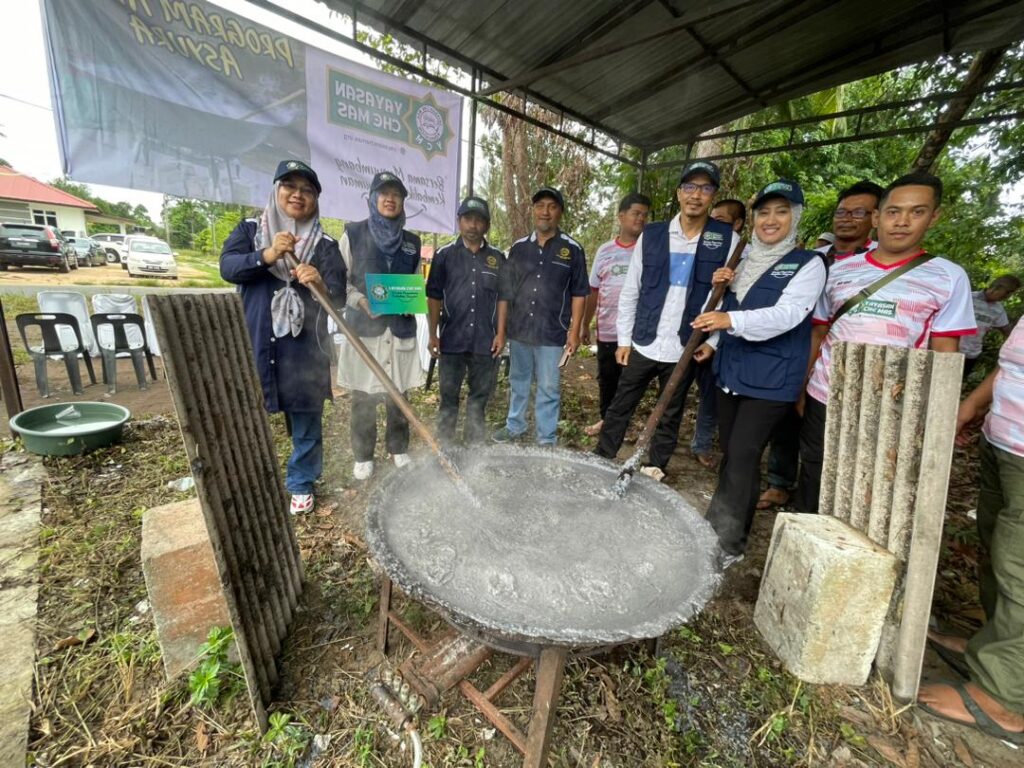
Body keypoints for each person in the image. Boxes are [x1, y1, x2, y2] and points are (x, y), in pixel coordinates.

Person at [798, 171, 976, 514]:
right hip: (826, 395)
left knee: (875, 488)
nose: (903, 222)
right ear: (878, 218)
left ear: (934, 216)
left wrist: (939, 414)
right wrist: (800, 388)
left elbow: (945, 351)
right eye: (894, 212)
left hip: (894, 405)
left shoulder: (948, 277)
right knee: (815, 475)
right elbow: (819, 333)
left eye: (917, 212)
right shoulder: (839, 272)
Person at [692, 179, 826, 564]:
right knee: (732, 453)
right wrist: (711, 340)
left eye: (781, 211)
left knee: (743, 454)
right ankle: (718, 525)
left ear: (795, 217)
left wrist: (727, 318)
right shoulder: (742, 259)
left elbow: (787, 316)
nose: (770, 220)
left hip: (772, 379)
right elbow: (716, 312)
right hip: (732, 372)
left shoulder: (808, 264)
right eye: (763, 212)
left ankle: (728, 543)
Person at [594, 160, 738, 480]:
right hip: (645, 339)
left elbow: (734, 299)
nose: (696, 195)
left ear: (713, 195)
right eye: (690, 187)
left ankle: (654, 467)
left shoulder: (727, 239)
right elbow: (632, 289)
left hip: (685, 344)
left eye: (705, 188)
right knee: (621, 404)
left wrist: (713, 342)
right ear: (679, 192)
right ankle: (602, 457)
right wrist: (623, 340)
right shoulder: (654, 234)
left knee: (671, 411)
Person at [220, 160, 347, 515]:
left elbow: (339, 298)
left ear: (316, 200)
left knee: (306, 418)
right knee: (248, 415)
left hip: (306, 351)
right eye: (290, 186)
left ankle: (301, 482)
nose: (298, 195)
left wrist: (320, 282)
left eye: (307, 190)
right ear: (276, 192)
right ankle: (247, 481)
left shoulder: (325, 245)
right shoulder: (250, 230)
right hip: (256, 342)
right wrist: (268, 255)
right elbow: (228, 267)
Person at [918, 321, 1024, 744]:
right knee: (998, 550)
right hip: (1007, 437)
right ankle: (991, 651)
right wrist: (978, 402)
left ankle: (1003, 701)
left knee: (1019, 567)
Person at [758, 179, 884, 511]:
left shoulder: (878, 264)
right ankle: (780, 482)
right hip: (794, 352)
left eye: (859, 212)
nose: (846, 218)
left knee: (834, 439)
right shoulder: (810, 257)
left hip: (843, 365)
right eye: (842, 211)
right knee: (786, 423)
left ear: (875, 217)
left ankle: (827, 500)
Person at [338, 172, 424, 480]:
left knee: (397, 394)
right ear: (373, 199)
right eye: (383, 193)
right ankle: (363, 456)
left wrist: (409, 298)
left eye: (396, 195)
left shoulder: (413, 242)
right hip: (364, 329)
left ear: (402, 203)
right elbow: (340, 282)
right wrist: (361, 301)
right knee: (364, 396)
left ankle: (398, 449)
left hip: (398, 330)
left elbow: (414, 284)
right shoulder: (353, 233)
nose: (390, 199)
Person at [493, 186, 589, 446]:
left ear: (560, 212)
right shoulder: (518, 248)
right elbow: (506, 292)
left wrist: (575, 330)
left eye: (552, 206)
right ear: (533, 210)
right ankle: (515, 425)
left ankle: (546, 439)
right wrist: (502, 332)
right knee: (518, 381)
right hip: (520, 331)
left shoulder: (572, 250)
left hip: (552, 333)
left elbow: (580, 293)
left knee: (549, 387)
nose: (545, 212)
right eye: (539, 206)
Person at [426, 197, 505, 445]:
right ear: (459, 221)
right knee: (448, 397)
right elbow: (434, 297)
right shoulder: (444, 255)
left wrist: (501, 333)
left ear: (487, 225)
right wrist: (432, 334)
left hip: (486, 341)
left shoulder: (498, 258)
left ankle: (473, 447)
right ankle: (445, 447)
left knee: (479, 398)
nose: (473, 225)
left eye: (479, 220)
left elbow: (504, 298)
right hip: (452, 340)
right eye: (468, 219)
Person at [581, 192, 652, 437]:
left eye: (645, 214)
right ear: (621, 216)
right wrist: (584, 325)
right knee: (608, 379)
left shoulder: (650, 250)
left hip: (637, 333)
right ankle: (606, 421)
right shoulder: (605, 250)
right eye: (636, 213)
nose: (641, 218)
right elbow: (593, 290)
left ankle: (625, 424)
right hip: (608, 330)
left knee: (630, 383)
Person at [692, 196, 747, 466]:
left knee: (712, 397)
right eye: (713, 220)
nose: (715, 226)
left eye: (722, 221)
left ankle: (704, 445)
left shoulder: (745, 257)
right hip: (694, 332)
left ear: (737, 224)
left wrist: (714, 341)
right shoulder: (703, 246)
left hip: (722, 337)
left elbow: (733, 306)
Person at [960, 274, 1020, 378]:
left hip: (971, 354)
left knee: (957, 384)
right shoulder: (968, 297)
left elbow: (1006, 330)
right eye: (1007, 293)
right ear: (997, 288)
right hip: (951, 349)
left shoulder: (999, 309)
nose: (1007, 297)